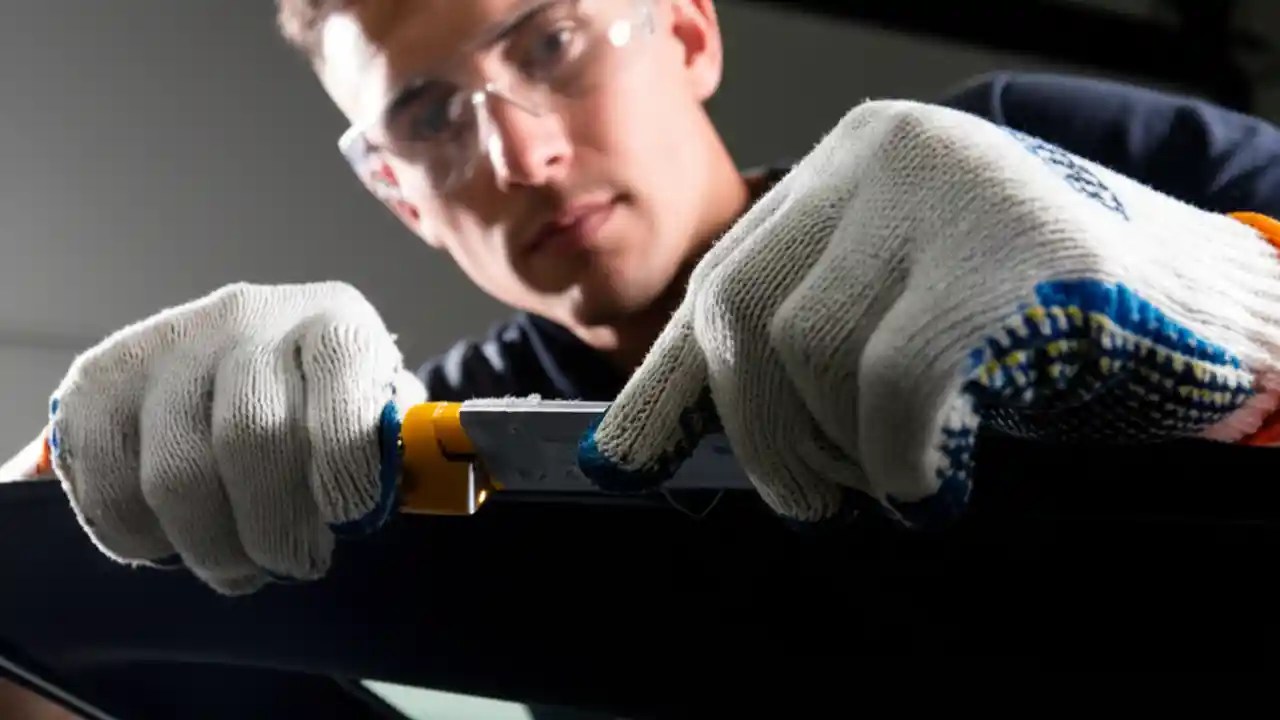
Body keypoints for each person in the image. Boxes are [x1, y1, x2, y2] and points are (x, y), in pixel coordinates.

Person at [11, 0, 1280, 596]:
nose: (517, 154)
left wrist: (1233, 299)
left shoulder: (1022, 153)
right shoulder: (412, 456)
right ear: (403, 199)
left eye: (546, 45)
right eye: (425, 120)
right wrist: (75, 484)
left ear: (684, 32)